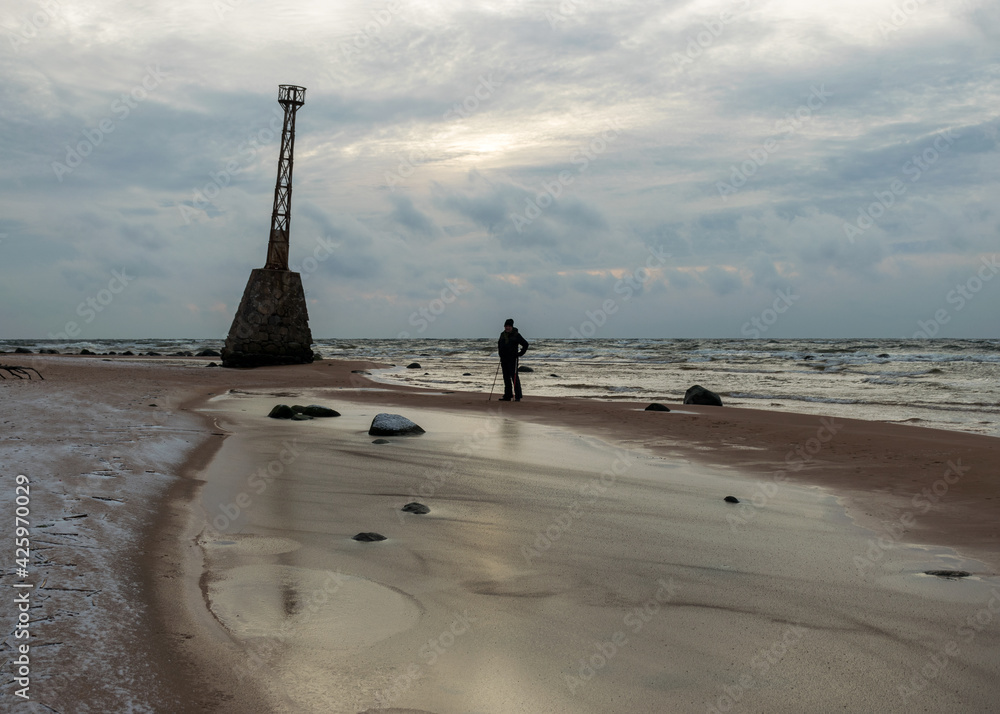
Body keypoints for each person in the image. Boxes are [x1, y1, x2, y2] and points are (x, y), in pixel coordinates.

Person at [497, 318, 529, 401]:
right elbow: (499, 344)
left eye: (509, 326)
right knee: (506, 377)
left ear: (512, 327)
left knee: (514, 377)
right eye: (506, 326)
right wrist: (500, 353)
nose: (507, 328)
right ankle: (508, 395)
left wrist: (519, 354)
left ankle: (518, 396)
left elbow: (525, 344)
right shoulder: (502, 335)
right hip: (504, 359)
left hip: (512, 359)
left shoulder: (516, 335)